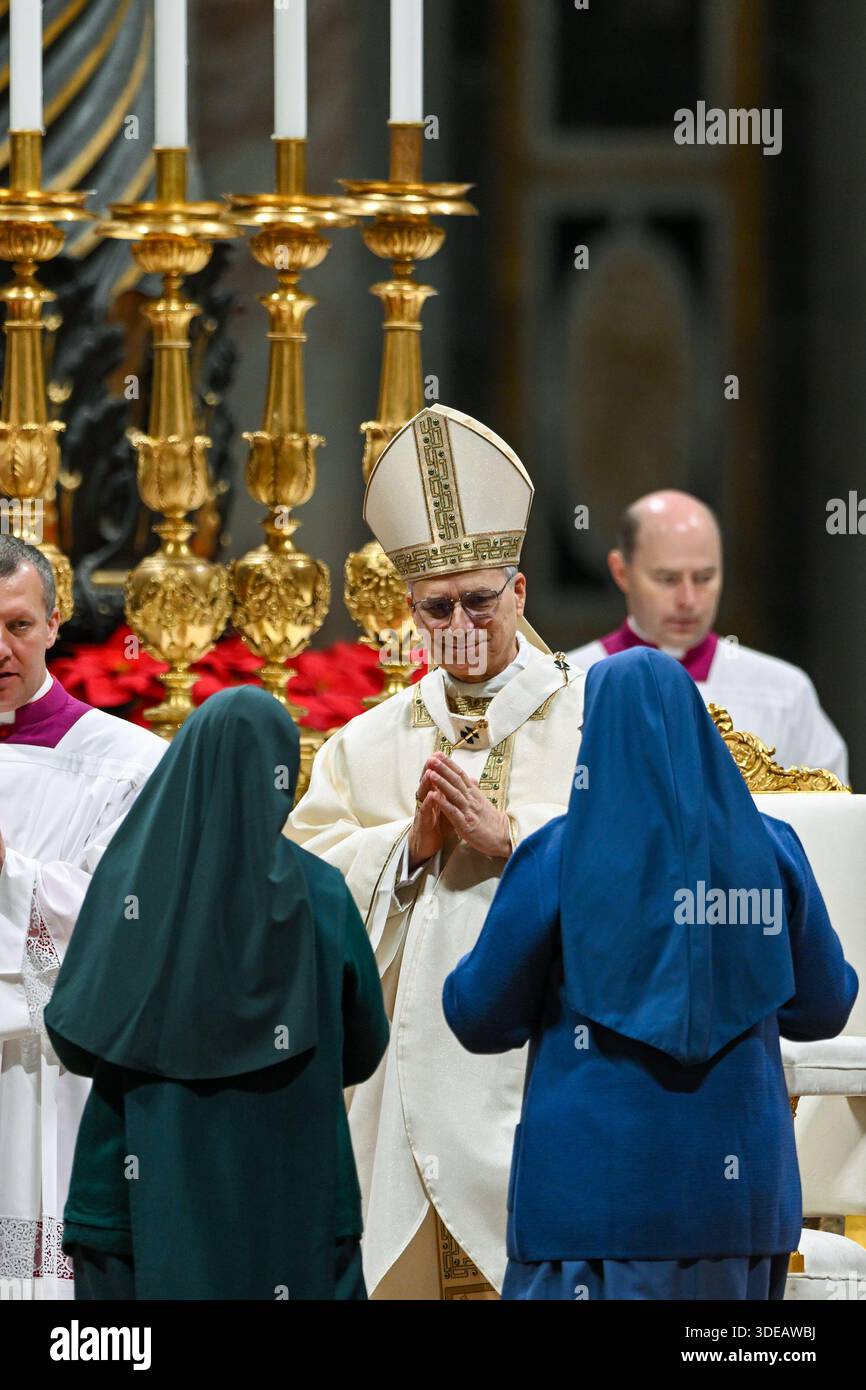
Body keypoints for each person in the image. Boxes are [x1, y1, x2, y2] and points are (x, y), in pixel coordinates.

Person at [443, 647, 858, 1301]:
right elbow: (827, 1006)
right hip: (742, 1214)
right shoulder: (773, 847)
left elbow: (479, 1016)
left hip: (594, 1214)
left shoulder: (556, 854)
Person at [287, 404, 586, 1299]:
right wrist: (403, 851)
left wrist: (518, 844)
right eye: (436, 606)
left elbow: (646, 864)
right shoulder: (371, 742)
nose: (458, 622)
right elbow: (305, 878)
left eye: (480, 601)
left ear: (521, 593)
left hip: (548, 1067)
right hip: (403, 1092)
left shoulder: (592, 720)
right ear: (412, 611)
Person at [44, 686, 389, 1300]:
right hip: (294, 1196)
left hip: (135, 1200)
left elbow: (75, 1040)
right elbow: (364, 1047)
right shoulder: (324, 893)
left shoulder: (128, 887)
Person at [0, 536, 165, 1298]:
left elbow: (125, 914)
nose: (2, 648)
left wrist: (10, 874)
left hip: (47, 1068)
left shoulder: (125, 761)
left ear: (54, 624)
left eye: (19, 625)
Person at [566, 490, 848, 779]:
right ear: (621, 572)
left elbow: (829, 809)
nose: (688, 600)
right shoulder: (567, 684)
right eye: (668, 579)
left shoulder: (784, 692)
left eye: (704, 578)